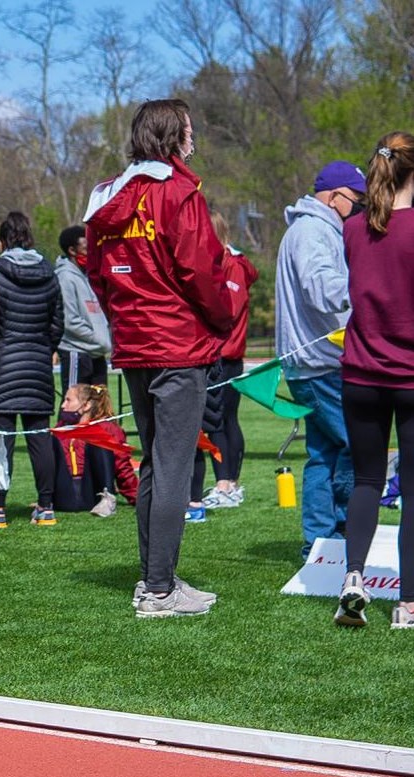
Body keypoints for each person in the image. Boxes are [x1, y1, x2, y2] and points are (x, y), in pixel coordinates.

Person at [83, 98, 234, 617]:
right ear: (175, 136)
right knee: (172, 467)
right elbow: (202, 270)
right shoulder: (178, 191)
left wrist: (123, 319)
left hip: (136, 343)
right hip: (175, 343)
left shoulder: (107, 195)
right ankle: (158, 589)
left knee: (155, 463)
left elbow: (99, 275)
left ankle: (157, 578)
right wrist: (224, 318)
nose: (194, 138)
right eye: (189, 130)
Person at [333, 132, 414, 629]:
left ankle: (353, 579)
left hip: (360, 374)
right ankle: (408, 603)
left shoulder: (353, 229)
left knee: (366, 481)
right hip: (408, 378)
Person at [275, 160, 365, 559]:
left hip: (310, 360)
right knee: (356, 443)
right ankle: (345, 528)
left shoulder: (311, 228)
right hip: (320, 360)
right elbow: (320, 286)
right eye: (355, 200)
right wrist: (366, 289)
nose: (359, 207)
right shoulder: (312, 230)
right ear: (333, 196)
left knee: (323, 453)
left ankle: (319, 542)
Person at [0, 212, 62, 529]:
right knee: (40, 438)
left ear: (1, 242)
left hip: (1, 366)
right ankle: (46, 507)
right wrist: (43, 351)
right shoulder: (50, 274)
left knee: (2, 442)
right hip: (37, 366)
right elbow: (56, 324)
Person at [201, 213, 258, 509]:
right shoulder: (221, 263)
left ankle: (226, 484)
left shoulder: (231, 265)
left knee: (220, 422)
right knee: (222, 420)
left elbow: (229, 311)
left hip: (224, 354)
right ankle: (229, 482)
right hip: (218, 353)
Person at [53, 383, 137, 516]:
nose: (63, 406)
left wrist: (137, 497)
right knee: (50, 442)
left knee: (98, 438)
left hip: (92, 492)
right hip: (64, 492)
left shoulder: (108, 428)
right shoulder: (62, 427)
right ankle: (46, 502)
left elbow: (122, 467)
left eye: (68, 400)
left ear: (86, 405)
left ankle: (107, 500)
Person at [54, 225, 110, 398]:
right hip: (76, 353)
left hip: (96, 352)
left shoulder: (90, 276)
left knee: (99, 407)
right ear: (72, 250)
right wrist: (100, 339)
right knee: (75, 407)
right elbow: (70, 321)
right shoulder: (65, 277)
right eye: (86, 248)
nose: (91, 252)